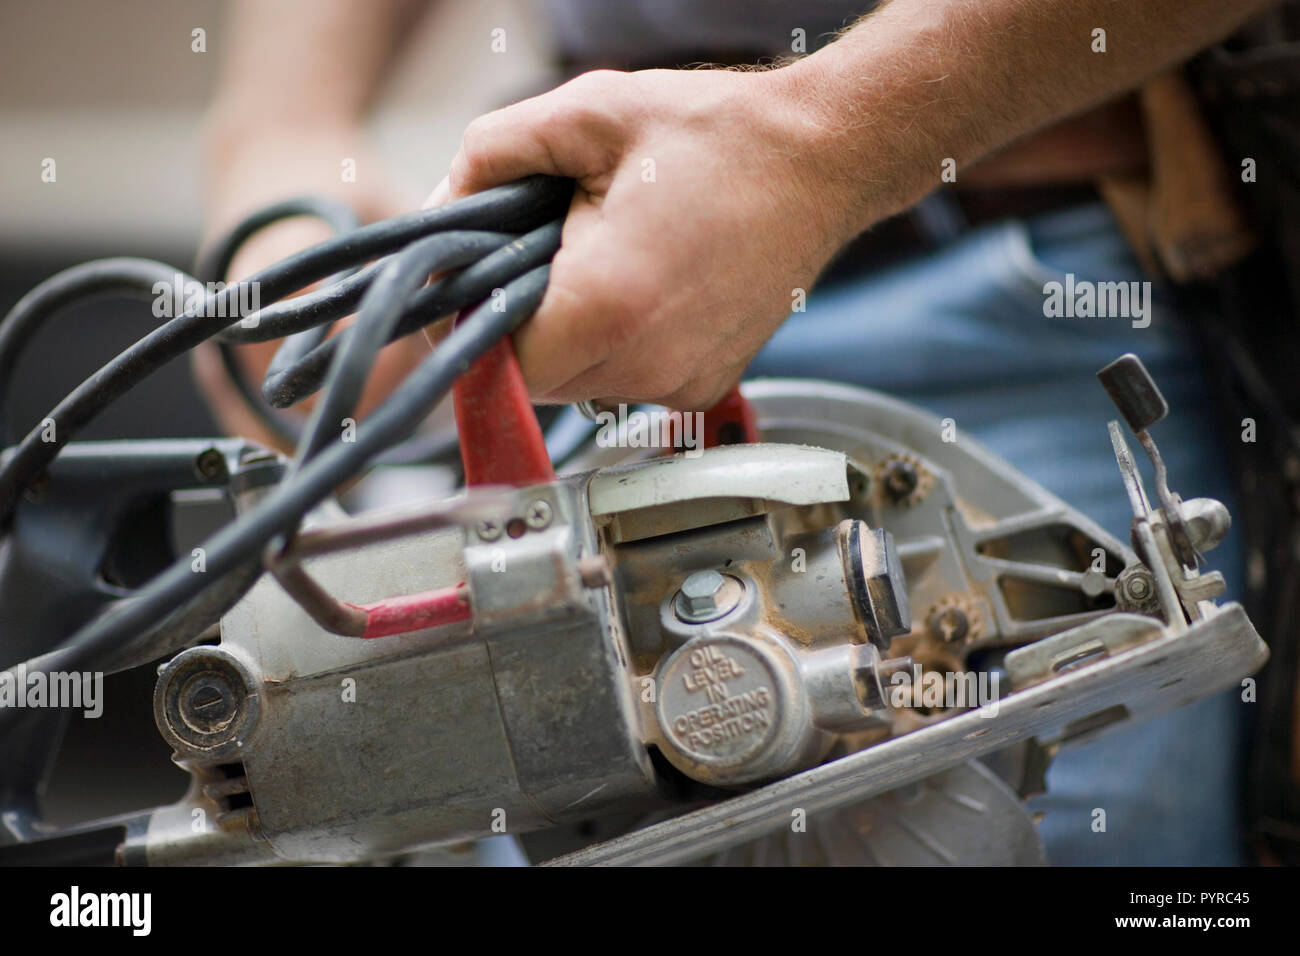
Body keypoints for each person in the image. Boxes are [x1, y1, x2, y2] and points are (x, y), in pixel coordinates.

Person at [195, 0, 1278, 864]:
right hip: (585, 282)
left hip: (1031, 268)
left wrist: (818, 141)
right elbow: (288, 128)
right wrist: (286, 132)